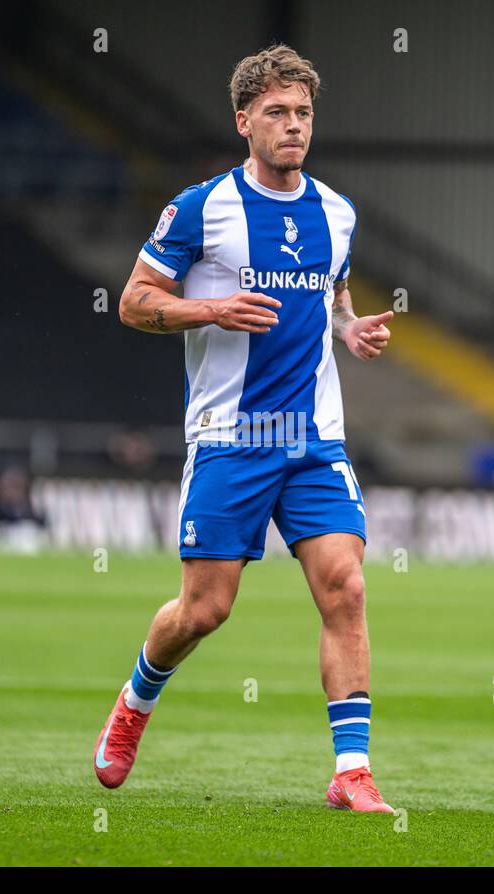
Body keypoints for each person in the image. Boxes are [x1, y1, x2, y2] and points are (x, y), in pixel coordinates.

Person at [95, 44, 398, 813]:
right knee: (205, 610)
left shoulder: (337, 210)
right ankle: (135, 703)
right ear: (244, 122)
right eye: (277, 113)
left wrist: (349, 329)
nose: (293, 127)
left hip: (314, 441)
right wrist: (210, 309)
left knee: (346, 586)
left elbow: (327, 292)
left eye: (303, 114)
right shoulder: (201, 209)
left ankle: (352, 771)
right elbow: (133, 302)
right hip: (231, 439)